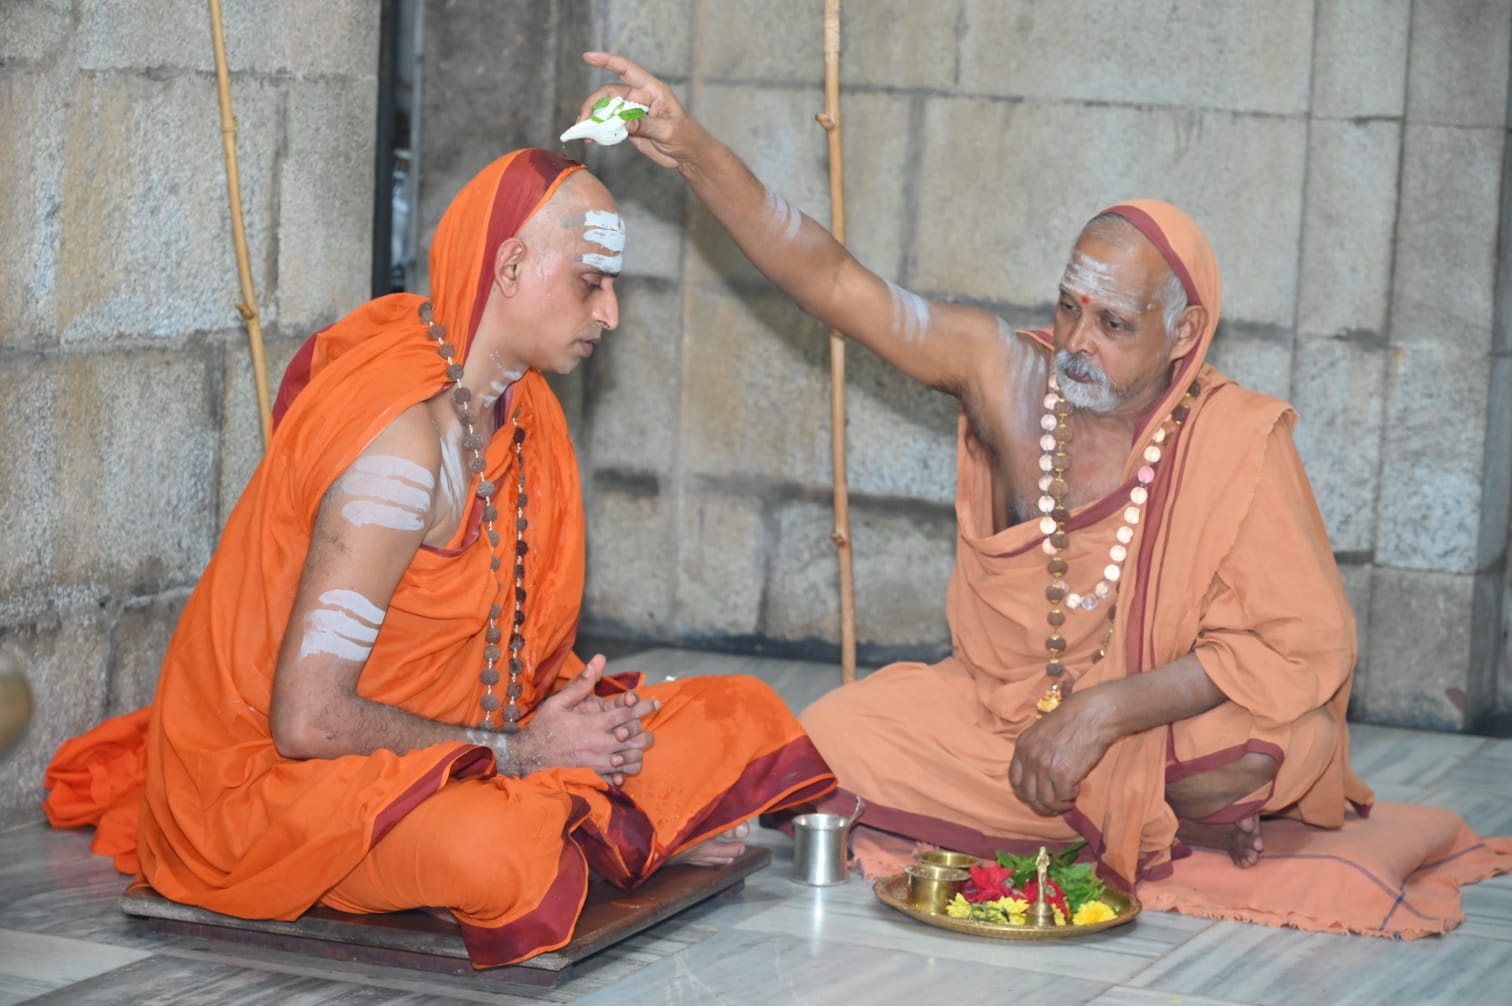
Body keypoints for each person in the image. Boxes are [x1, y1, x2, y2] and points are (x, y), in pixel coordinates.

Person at [572, 53, 1373, 889]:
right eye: (1069, 307)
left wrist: (1103, 711)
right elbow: (834, 280)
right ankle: (1137, 811)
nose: (1076, 342)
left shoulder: (1236, 437)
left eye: (1112, 323)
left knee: (1263, 743)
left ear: (1183, 333)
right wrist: (691, 145)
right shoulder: (1006, 376)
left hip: (1151, 725)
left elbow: (1294, 643)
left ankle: (1151, 799)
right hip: (997, 722)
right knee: (831, 737)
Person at [43, 148, 835, 968]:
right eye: (591, 282)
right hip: (296, 785)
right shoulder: (399, 448)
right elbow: (308, 721)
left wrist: (588, 722)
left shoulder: (522, 417)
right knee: (504, 853)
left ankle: (588, 816)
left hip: (474, 749)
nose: (611, 314)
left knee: (743, 713)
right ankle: (595, 823)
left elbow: (514, 659)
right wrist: (527, 753)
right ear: (514, 265)